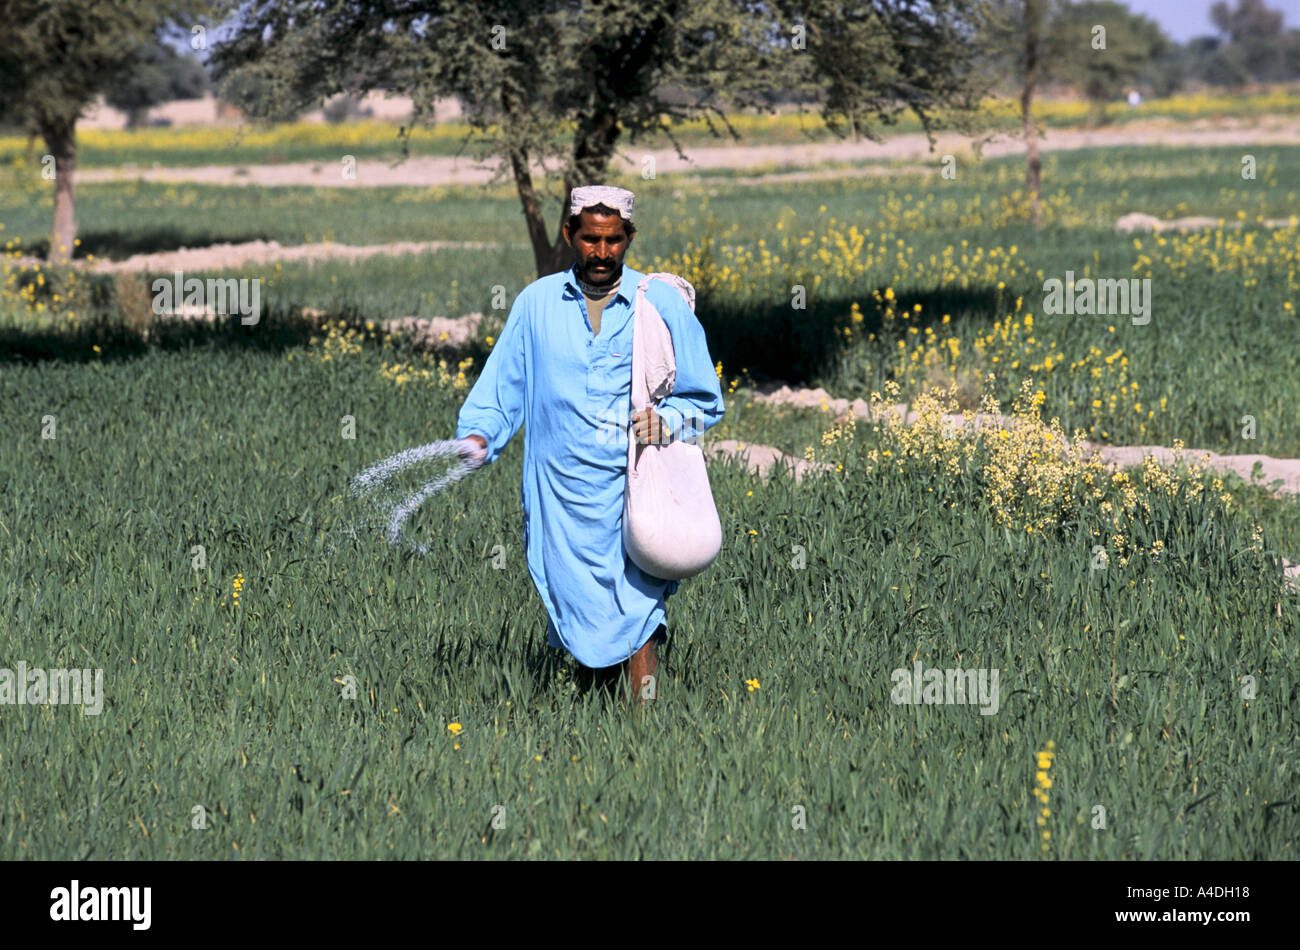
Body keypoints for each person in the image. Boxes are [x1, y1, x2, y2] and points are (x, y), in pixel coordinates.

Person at [456, 185, 725, 704]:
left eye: (613, 240)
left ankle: (645, 726)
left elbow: (705, 400)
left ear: (629, 238)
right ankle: (590, 711)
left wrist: (666, 421)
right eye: (590, 240)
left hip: (633, 486)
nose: (601, 253)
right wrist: (480, 436)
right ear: (569, 236)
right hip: (561, 492)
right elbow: (502, 388)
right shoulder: (536, 304)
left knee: (638, 603)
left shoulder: (659, 302)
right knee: (577, 602)